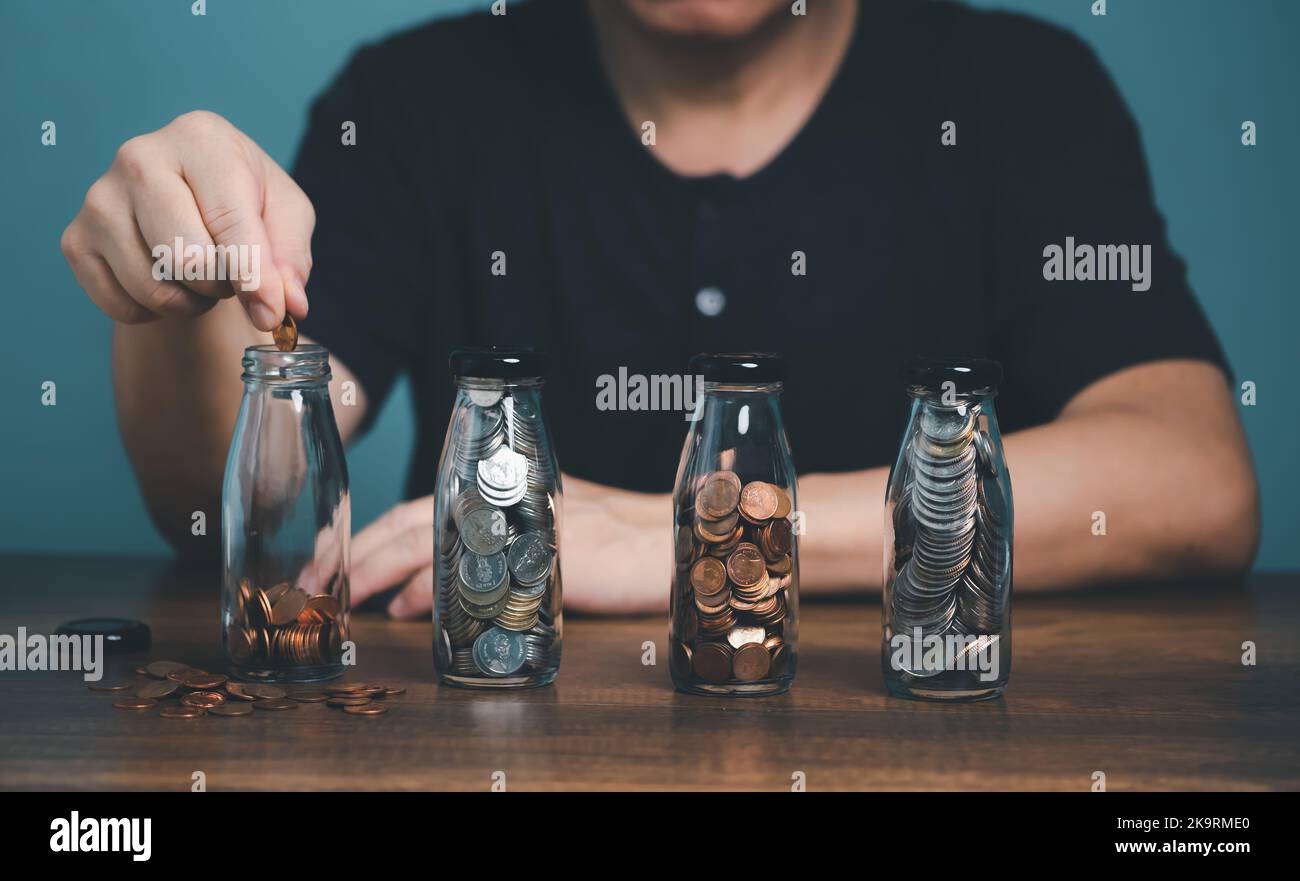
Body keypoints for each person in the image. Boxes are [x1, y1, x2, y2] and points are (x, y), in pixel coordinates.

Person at [60, 0, 1258, 617]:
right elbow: (230, 494)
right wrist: (176, 292)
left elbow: (1191, 477)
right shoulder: (417, 98)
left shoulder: (1019, 94)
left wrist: (699, 533)